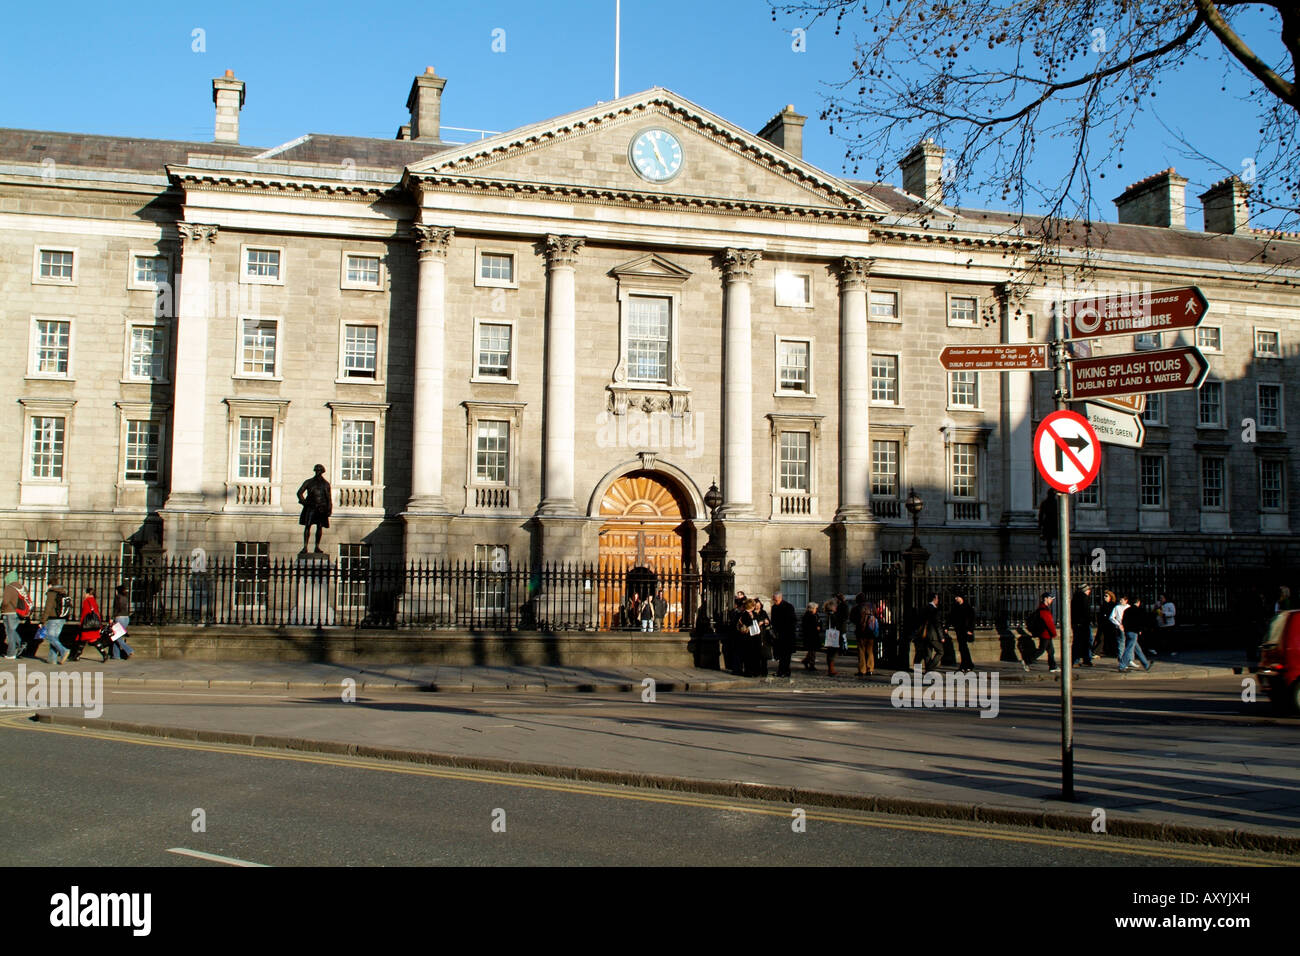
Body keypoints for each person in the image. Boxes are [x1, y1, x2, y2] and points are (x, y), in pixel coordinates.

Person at [296, 464, 332, 555]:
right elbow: (299, 493)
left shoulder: (325, 484)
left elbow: (328, 498)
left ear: (322, 472)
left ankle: (317, 546)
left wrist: (329, 508)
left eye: (319, 471)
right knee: (308, 526)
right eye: (316, 470)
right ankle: (305, 547)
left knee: (319, 527)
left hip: (321, 508)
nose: (318, 472)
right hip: (311, 507)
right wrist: (304, 502)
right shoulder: (309, 482)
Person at [1, 570, 32, 659]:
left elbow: (5, 601)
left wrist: (2, 609)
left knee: (10, 633)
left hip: (9, 612)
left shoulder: (9, 587)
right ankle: (21, 643)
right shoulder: (23, 588)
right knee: (13, 631)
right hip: (19, 612)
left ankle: (11, 653)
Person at [1025, 592, 1059, 672]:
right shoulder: (1044, 610)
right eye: (1050, 598)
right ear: (1045, 599)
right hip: (1045, 634)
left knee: (1051, 651)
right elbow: (1049, 623)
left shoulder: (1042, 608)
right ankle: (1027, 660)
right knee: (1041, 650)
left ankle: (1053, 666)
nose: (1051, 600)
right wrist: (1054, 633)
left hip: (1045, 633)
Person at [41, 579, 72, 666]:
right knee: (55, 638)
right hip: (62, 618)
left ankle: (64, 650)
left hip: (53, 618)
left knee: (49, 637)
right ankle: (52, 659)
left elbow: (48, 607)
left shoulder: (52, 593)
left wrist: (43, 620)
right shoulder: (62, 592)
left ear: (50, 585)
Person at [1118, 596, 1153, 672]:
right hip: (1134, 632)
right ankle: (1122, 665)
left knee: (1137, 649)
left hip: (1127, 631)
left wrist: (1126, 629)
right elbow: (1141, 622)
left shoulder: (1127, 610)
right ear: (1138, 602)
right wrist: (1140, 629)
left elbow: (1123, 621)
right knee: (1129, 649)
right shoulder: (1139, 610)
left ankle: (1146, 664)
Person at [914, 593, 944, 673]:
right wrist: (941, 637)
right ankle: (930, 667)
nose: (938, 600)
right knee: (940, 651)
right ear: (934, 599)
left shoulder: (923, 608)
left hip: (923, 634)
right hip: (932, 635)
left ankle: (924, 668)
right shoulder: (934, 610)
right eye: (937, 599)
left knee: (927, 652)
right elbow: (937, 624)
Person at [770, 590, 798, 678]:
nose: (774, 601)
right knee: (780, 655)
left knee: (786, 655)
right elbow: (773, 621)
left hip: (787, 635)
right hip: (778, 635)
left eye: (775, 600)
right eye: (774, 600)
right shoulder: (774, 607)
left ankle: (783, 671)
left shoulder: (788, 607)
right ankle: (784, 671)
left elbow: (793, 620)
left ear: (780, 598)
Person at [854, 593, 879, 677]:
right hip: (871, 631)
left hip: (861, 631)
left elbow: (852, 618)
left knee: (861, 650)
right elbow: (876, 615)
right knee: (870, 650)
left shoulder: (857, 607)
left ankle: (862, 669)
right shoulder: (872, 606)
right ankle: (870, 668)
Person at [950, 593, 975, 672]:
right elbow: (951, 617)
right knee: (963, 648)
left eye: (957, 597)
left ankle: (964, 665)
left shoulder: (967, 607)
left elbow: (972, 619)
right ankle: (968, 664)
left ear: (961, 597)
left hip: (966, 630)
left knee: (963, 647)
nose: (956, 599)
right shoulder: (956, 607)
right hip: (959, 630)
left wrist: (970, 630)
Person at [1071, 584, 1095, 666]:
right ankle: (1086, 659)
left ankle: (1076, 660)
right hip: (1083, 624)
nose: (1089, 591)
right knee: (1086, 642)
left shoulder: (1074, 598)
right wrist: (1089, 620)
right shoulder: (1084, 598)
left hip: (1076, 623)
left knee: (1078, 642)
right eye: (1088, 590)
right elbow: (1086, 612)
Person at [111, 584, 135, 660]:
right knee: (117, 636)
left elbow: (116, 608)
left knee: (117, 637)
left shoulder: (118, 597)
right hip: (126, 618)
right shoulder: (125, 597)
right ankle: (116, 655)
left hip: (119, 617)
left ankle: (129, 650)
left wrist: (112, 617)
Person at [753, 599, 773, 677]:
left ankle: (764, 671)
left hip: (764, 635)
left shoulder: (763, 612)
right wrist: (759, 623)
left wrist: (766, 622)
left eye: (758, 605)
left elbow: (768, 622)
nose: (757, 606)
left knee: (764, 655)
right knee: (756, 655)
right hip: (756, 634)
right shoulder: (752, 613)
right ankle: (757, 671)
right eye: (756, 605)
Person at [801, 601, 822, 671]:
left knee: (812, 650)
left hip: (814, 635)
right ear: (812, 609)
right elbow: (807, 626)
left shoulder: (815, 615)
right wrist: (816, 627)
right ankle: (811, 664)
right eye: (815, 608)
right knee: (812, 650)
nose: (816, 609)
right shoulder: (808, 616)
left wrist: (819, 627)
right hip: (810, 635)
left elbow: (819, 623)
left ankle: (806, 660)